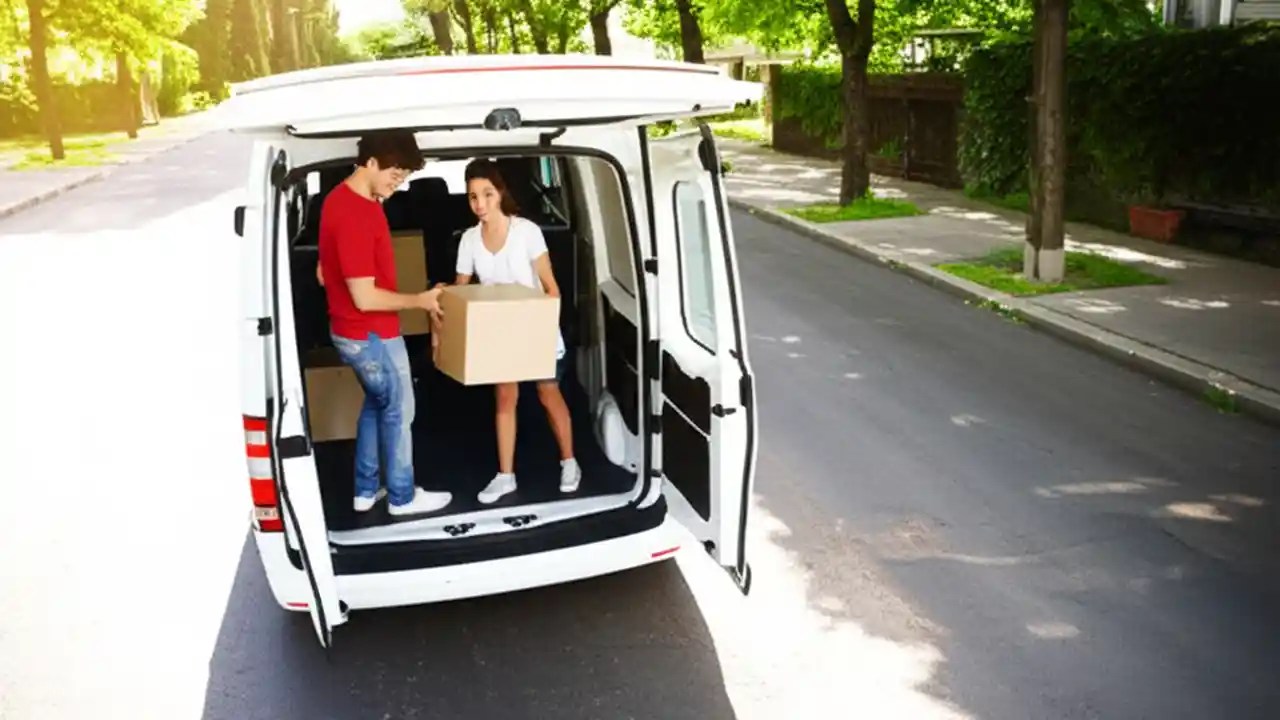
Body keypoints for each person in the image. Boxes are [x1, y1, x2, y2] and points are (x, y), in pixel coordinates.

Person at [316, 129, 452, 516]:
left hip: (349, 332)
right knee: (399, 410)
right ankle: (402, 496)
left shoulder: (339, 200)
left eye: (405, 176)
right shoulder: (357, 213)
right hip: (371, 335)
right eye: (395, 173)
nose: (399, 182)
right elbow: (365, 297)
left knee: (378, 404)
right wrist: (421, 301)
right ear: (371, 162)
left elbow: (325, 273)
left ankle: (364, 490)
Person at [447, 158, 581, 504]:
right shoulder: (469, 240)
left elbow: (552, 288)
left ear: (500, 192)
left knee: (548, 393)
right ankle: (506, 475)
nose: (480, 204)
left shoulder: (527, 232)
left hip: (535, 326)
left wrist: (543, 329)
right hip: (499, 330)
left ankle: (570, 462)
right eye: (473, 196)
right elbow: (461, 289)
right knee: (505, 399)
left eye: (487, 194)